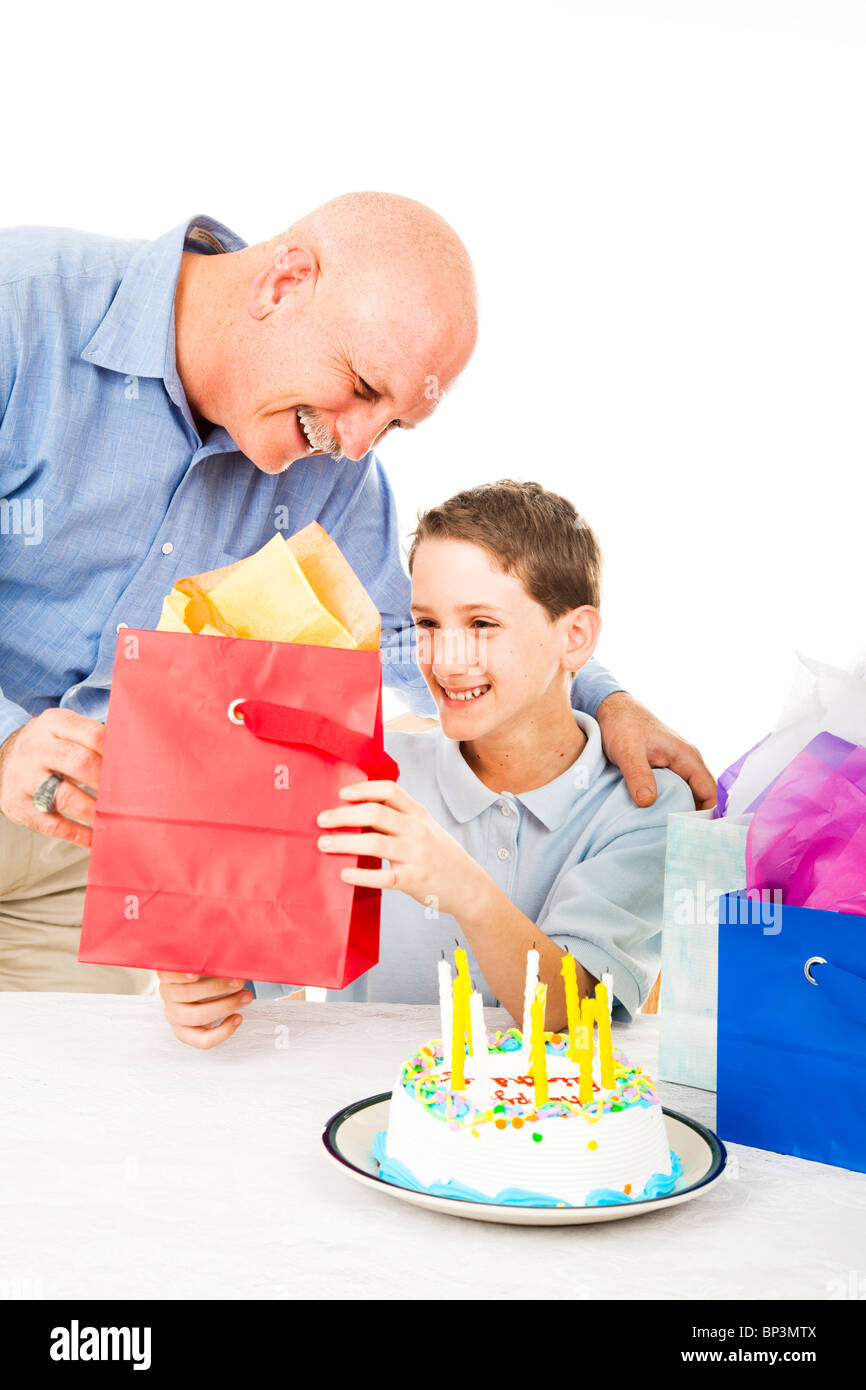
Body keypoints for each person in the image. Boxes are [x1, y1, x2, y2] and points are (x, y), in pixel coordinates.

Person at [0, 192, 713, 994]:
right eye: (364, 387)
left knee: (59, 1106)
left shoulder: (335, 476)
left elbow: (420, 642)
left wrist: (602, 696)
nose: (360, 441)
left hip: (78, 838)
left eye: (394, 423)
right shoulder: (22, 312)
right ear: (285, 283)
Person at [159, 480, 695, 1047]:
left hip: (551, 1126)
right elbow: (255, 956)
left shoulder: (645, 804)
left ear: (576, 637)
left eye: (482, 625)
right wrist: (205, 983)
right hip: (368, 1115)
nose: (444, 658)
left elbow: (576, 1011)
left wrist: (462, 886)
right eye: (428, 624)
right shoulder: (367, 774)